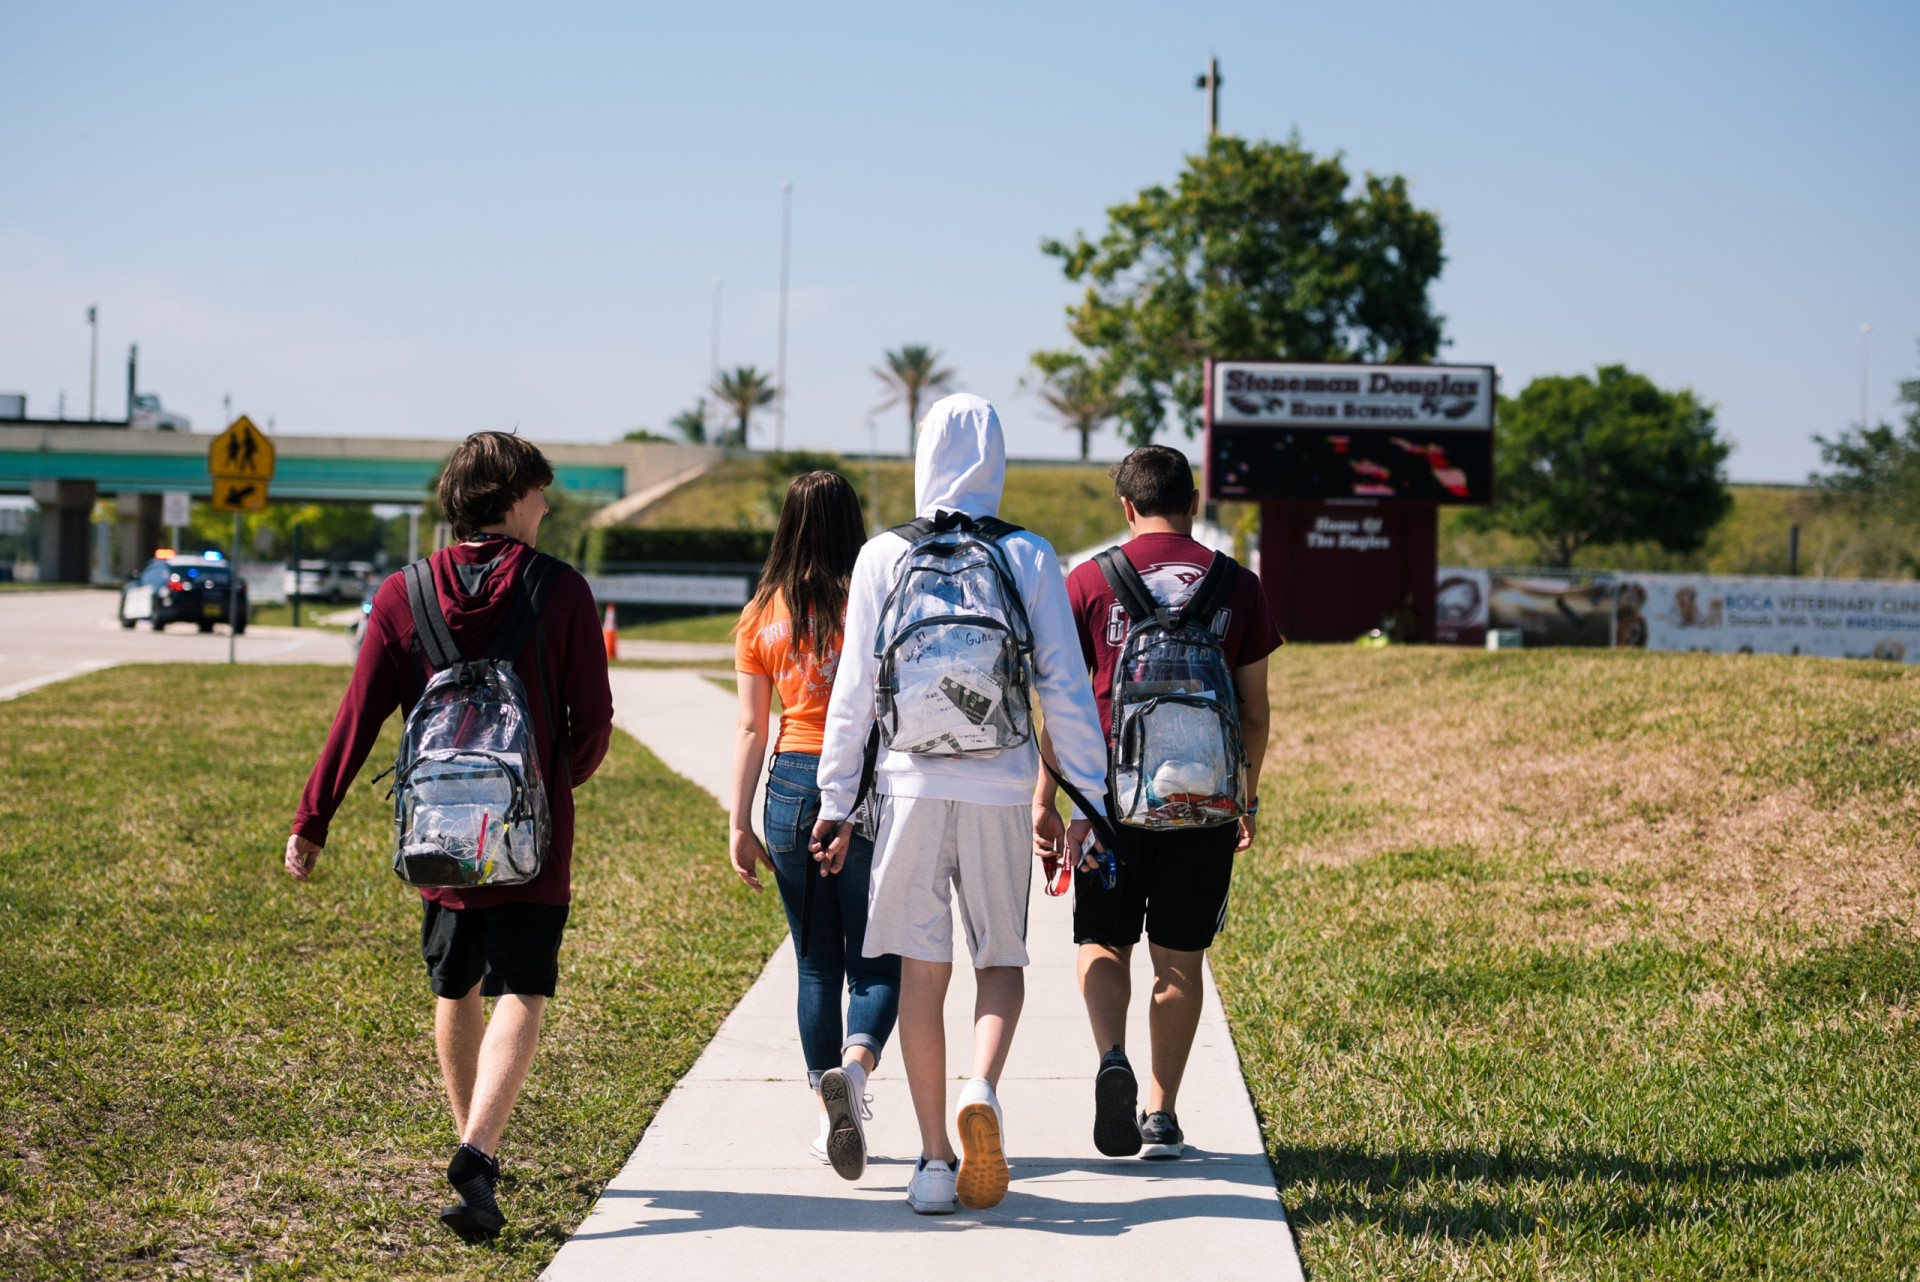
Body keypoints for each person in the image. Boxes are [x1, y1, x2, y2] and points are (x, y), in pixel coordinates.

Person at [283, 431, 613, 1242]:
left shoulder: (403, 595)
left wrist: (312, 819)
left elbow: (358, 714)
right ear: (508, 497)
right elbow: (593, 722)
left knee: (455, 981)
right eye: (538, 492)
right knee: (524, 986)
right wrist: (549, 789)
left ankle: (475, 1150)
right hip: (530, 833)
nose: (546, 505)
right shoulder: (561, 589)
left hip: (441, 829)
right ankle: (478, 1152)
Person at [810, 394, 1111, 1215]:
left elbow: (853, 697)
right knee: (1000, 959)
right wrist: (1086, 796)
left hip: (908, 783)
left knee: (921, 973)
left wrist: (836, 800)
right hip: (1003, 783)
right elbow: (1065, 687)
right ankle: (983, 1086)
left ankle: (936, 1162)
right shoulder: (1030, 556)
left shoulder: (882, 556)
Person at [1034, 444, 1277, 1161]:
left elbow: (1062, 706)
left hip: (1109, 803)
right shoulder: (1240, 586)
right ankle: (1162, 1114)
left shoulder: (1089, 582)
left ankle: (1112, 1056)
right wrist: (1246, 800)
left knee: (1101, 940)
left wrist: (1048, 802)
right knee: (1180, 959)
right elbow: (1256, 713)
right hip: (1202, 803)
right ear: (1194, 502)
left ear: (1125, 505)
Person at [726, 470, 900, 1181]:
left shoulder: (761, 612)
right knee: (878, 957)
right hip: (867, 783)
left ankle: (824, 1095)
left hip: (791, 786)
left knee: (816, 962)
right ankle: (855, 1077)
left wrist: (739, 823)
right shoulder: (877, 599)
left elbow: (749, 727)